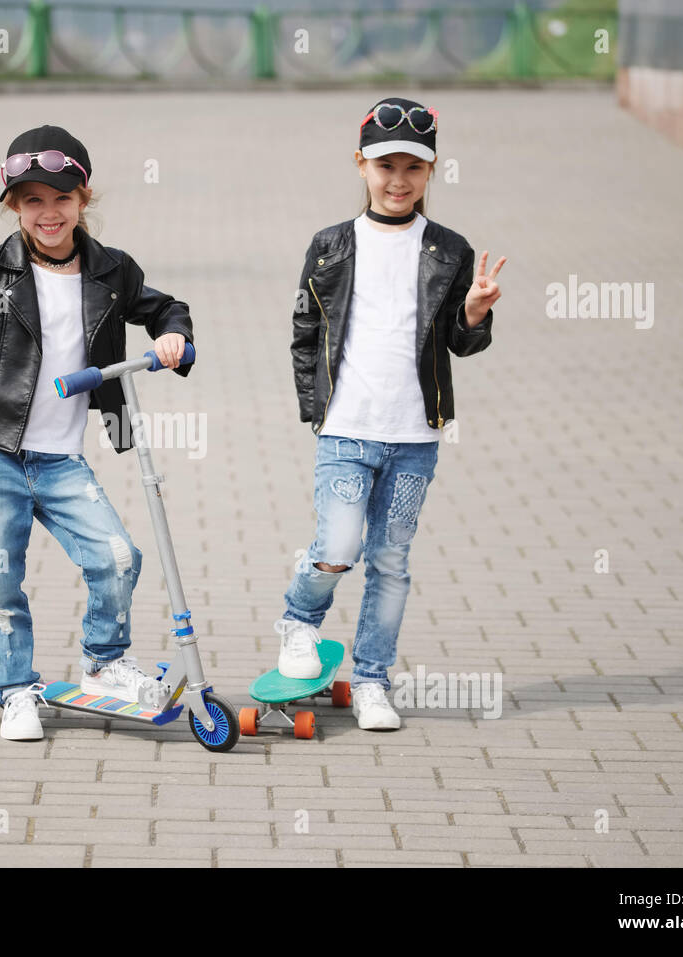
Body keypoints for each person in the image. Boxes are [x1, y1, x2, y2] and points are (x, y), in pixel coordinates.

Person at [0, 125, 192, 740]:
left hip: (59, 460)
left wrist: (174, 338)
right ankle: (17, 689)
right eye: (32, 201)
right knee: (0, 580)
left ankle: (105, 663)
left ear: (84, 199)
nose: (48, 213)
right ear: (14, 208)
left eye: (61, 198)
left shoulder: (111, 271)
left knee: (117, 557)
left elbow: (164, 307)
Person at [277, 97, 506, 730]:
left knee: (391, 561)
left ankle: (373, 679)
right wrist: (315, 409)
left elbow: (460, 341)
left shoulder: (449, 250)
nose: (398, 180)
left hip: (414, 435)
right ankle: (298, 623)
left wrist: (476, 314)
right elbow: (304, 329)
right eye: (385, 166)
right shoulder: (330, 246)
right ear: (360, 165)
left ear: (432, 172)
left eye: (413, 167)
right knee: (338, 546)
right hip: (347, 429)